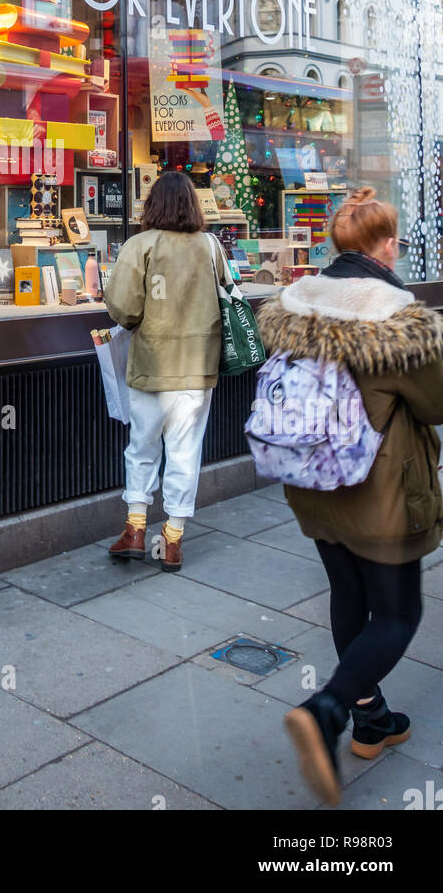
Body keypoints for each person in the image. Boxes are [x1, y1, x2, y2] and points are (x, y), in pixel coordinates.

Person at [257, 187, 443, 807]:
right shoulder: (393, 318)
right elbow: (437, 402)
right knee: (397, 615)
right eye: (395, 238)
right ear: (385, 245)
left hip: (312, 485)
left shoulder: (297, 304)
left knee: (348, 596)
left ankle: (370, 720)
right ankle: (328, 709)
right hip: (380, 492)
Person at [103, 170, 227, 570]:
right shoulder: (211, 246)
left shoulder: (140, 245)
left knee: (141, 448)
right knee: (184, 454)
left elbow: (123, 308)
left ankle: (135, 529)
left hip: (151, 366)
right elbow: (229, 296)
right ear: (193, 204)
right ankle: (172, 540)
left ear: (152, 204)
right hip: (196, 369)